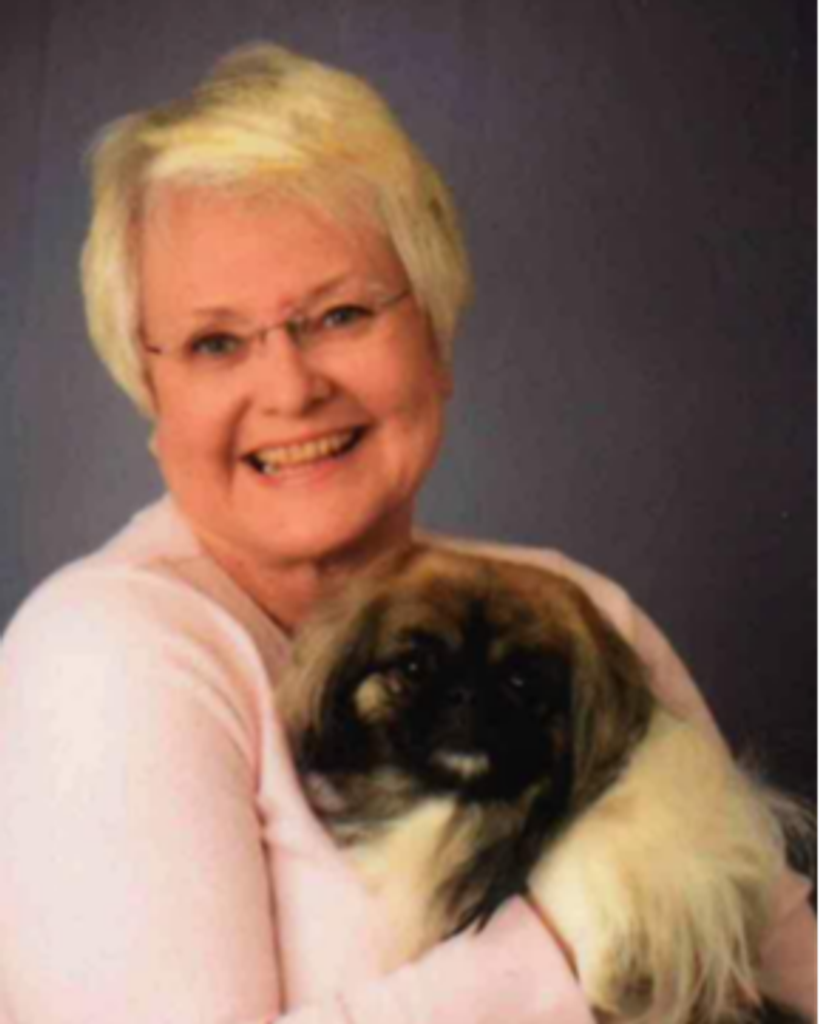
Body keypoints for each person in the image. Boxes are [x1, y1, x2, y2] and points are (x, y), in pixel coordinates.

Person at [0, 43, 815, 1024]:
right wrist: (580, 936)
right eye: (217, 341)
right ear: (149, 386)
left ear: (434, 337)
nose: (290, 387)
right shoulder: (107, 654)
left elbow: (795, 966)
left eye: (340, 314)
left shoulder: (577, 610)